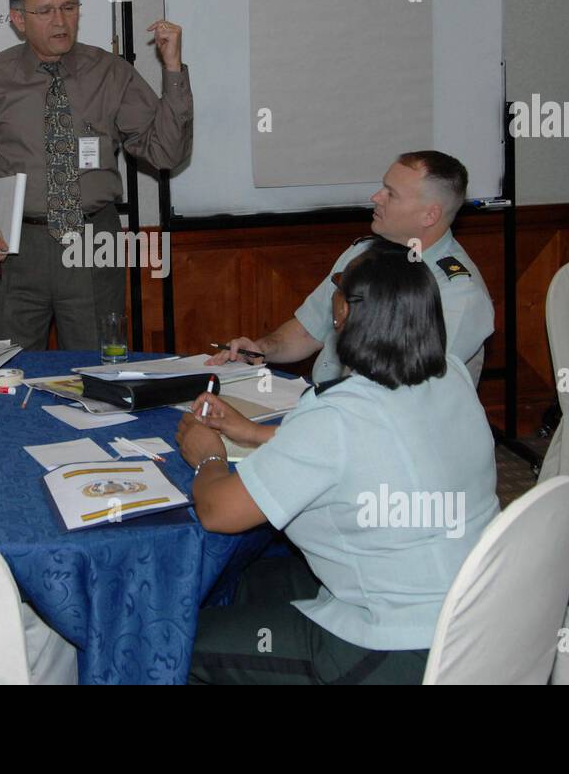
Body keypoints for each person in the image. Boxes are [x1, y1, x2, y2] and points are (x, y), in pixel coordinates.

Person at [178, 240, 499, 684]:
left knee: (179, 646)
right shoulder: (451, 376)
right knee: (256, 579)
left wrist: (206, 456)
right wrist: (255, 433)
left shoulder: (337, 414)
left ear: (344, 314)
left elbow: (218, 512)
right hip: (481, 621)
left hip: (399, 651)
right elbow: (372, 448)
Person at [0, 0, 192, 350]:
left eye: (69, 8)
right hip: (16, 248)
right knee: (13, 373)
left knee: (97, 371)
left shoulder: (111, 73)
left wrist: (172, 70)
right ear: (18, 19)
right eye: (45, 11)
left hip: (93, 242)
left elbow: (166, 151)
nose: (60, 21)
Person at [211, 151, 493, 388]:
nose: (375, 197)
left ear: (430, 214)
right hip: (334, 405)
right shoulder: (363, 254)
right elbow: (307, 333)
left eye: (390, 194)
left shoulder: (458, 292)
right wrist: (260, 350)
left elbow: (416, 393)